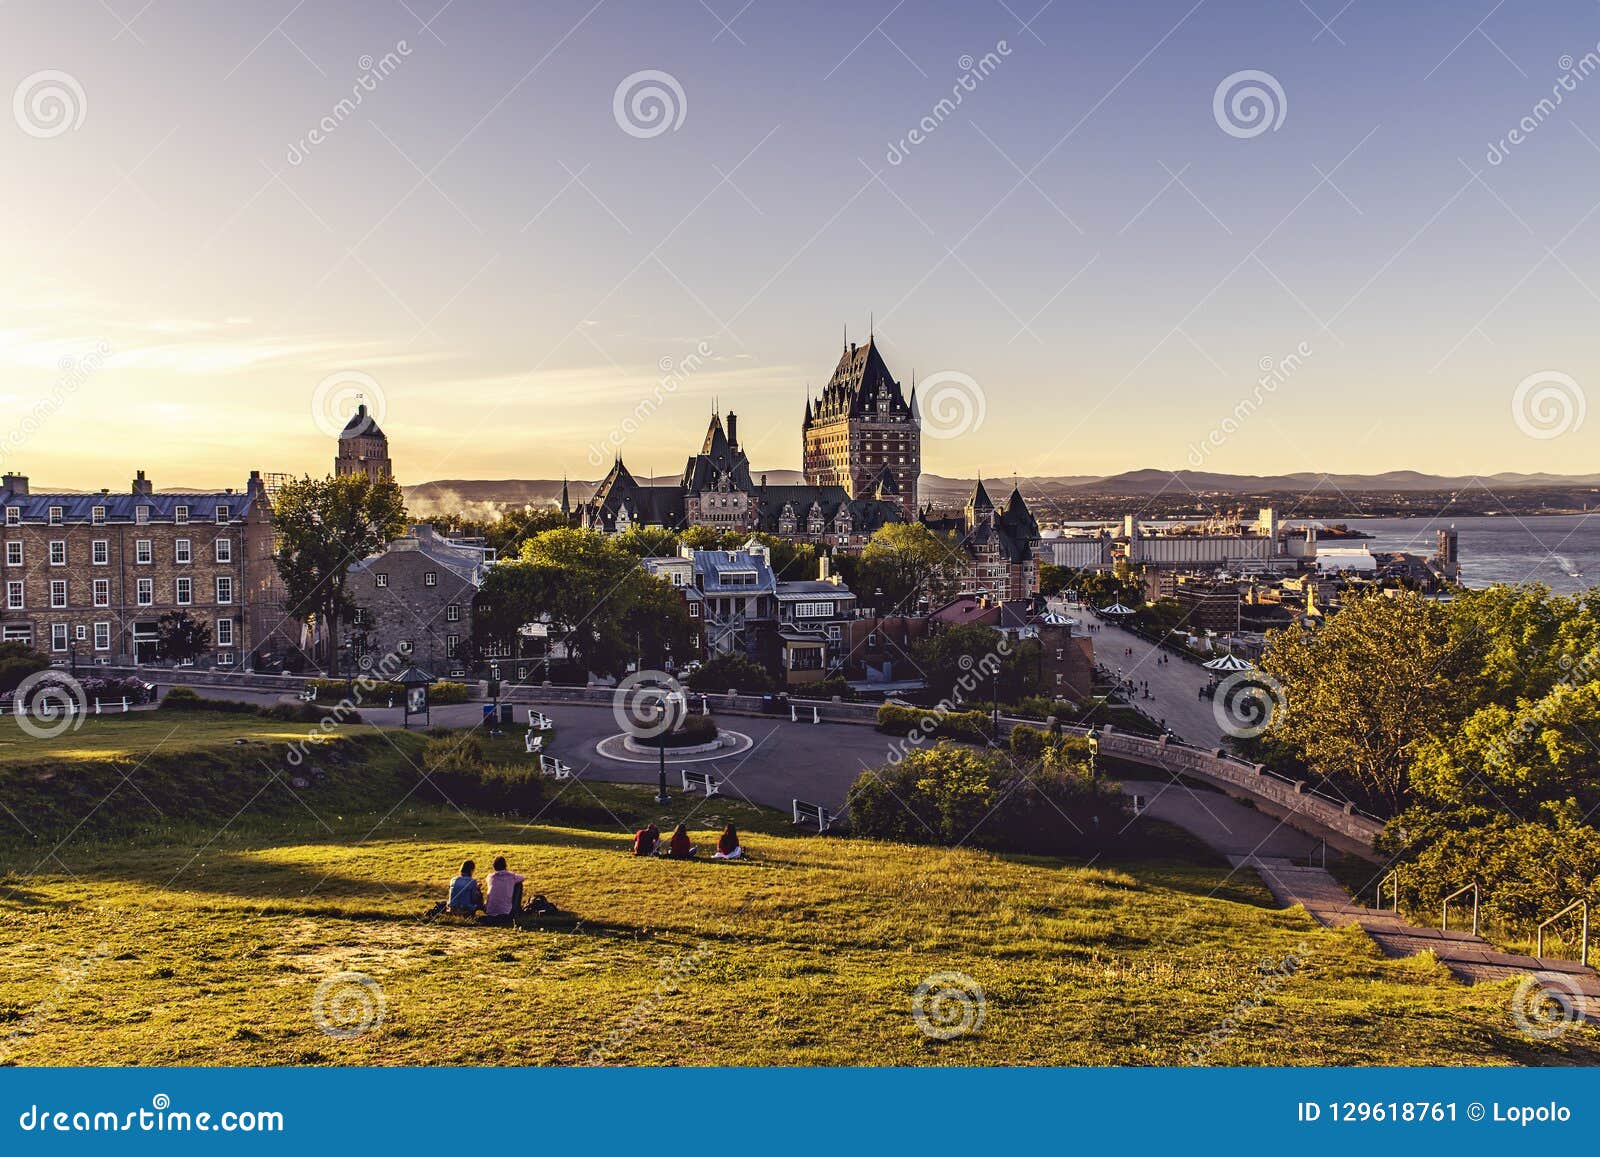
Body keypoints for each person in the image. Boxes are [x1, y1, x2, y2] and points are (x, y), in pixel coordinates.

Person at [484, 855, 525, 921]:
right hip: (506, 912)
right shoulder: (511, 876)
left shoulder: (490, 877)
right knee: (519, 884)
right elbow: (522, 878)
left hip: (490, 911)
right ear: (505, 865)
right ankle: (516, 910)